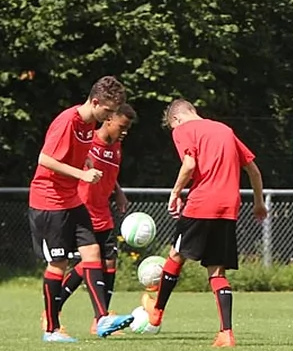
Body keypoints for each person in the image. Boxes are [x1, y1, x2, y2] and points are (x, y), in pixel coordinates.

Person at [142, 99, 268, 348]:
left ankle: (156, 315)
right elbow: (253, 171)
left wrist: (175, 193)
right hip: (229, 207)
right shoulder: (225, 130)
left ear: (176, 119)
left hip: (202, 203)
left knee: (176, 256)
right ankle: (226, 333)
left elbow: (189, 164)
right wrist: (258, 203)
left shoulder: (183, 130)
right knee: (217, 272)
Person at [29, 75, 133, 342]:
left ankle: (102, 318)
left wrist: (88, 165)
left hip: (71, 200)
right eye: (107, 111)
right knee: (59, 263)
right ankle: (51, 329)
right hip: (49, 200)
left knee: (92, 252)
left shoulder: (88, 125)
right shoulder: (68, 121)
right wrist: (82, 174)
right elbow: (45, 159)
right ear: (95, 102)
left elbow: (81, 151)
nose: (108, 117)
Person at [55, 103, 136, 333]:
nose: (125, 131)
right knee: (90, 261)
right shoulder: (89, 141)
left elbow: (111, 173)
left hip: (103, 211)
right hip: (83, 209)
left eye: (128, 127)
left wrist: (118, 191)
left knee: (108, 262)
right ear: (108, 120)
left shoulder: (117, 146)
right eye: (122, 126)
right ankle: (55, 308)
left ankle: (100, 319)